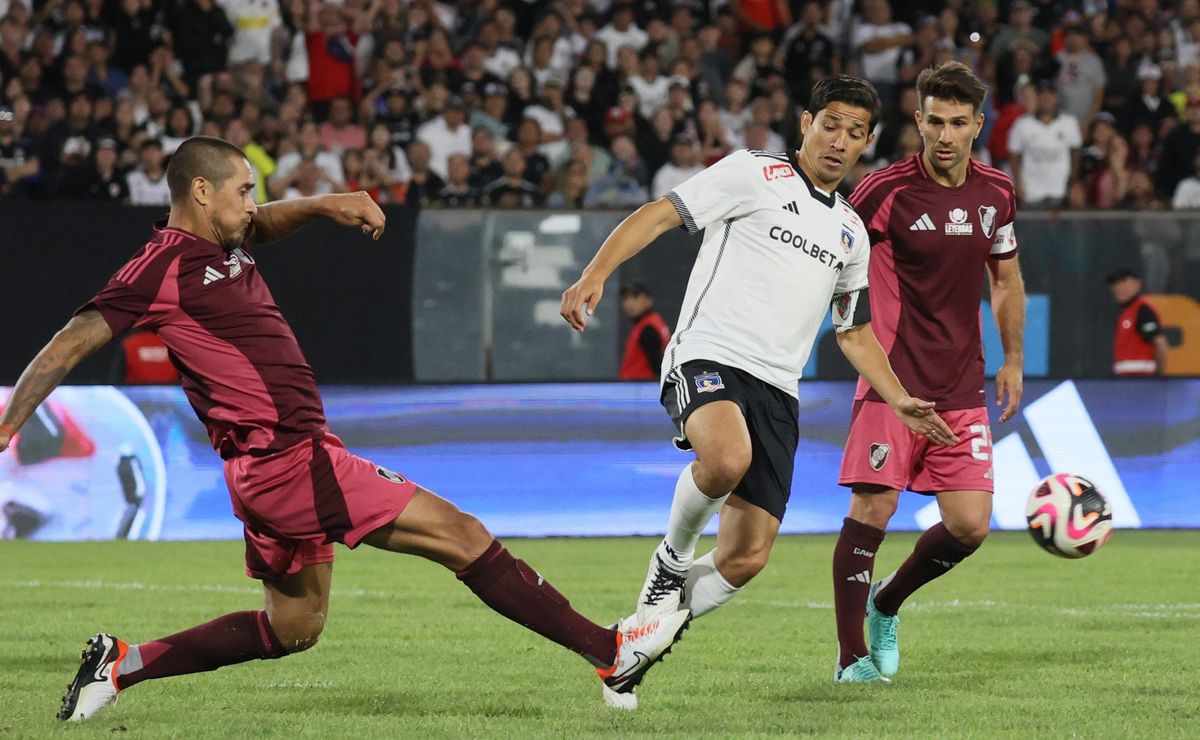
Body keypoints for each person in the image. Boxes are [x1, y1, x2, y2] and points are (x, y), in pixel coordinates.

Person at [0, 136, 690, 723]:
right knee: (461, 535)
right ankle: (609, 653)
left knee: (292, 628)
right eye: (243, 190)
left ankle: (122, 665)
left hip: (277, 465)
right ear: (201, 191)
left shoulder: (226, 242)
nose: (252, 202)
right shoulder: (161, 268)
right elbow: (70, 341)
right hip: (286, 462)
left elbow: (264, 225)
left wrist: (328, 205)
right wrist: (9, 425)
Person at [560, 76, 958, 710]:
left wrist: (900, 396)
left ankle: (634, 644)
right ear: (805, 123)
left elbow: (853, 334)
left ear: (868, 143)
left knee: (745, 559)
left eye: (855, 133)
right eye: (830, 124)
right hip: (708, 353)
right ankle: (670, 560)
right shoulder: (752, 173)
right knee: (725, 459)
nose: (839, 141)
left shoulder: (851, 234)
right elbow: (662, 214)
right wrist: (595, 272)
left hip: (779, 389)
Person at [830, 61, 1026, 684]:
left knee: (969, 527)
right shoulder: (883, 191)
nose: (944, 135)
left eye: (958, 123)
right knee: (873, 507)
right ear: (917, 120)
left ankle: (886, 602)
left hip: (961, 384)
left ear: (977, 126)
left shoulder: (996, 193)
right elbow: (829, 257)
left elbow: (1007, 279)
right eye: (934, 121)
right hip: (893, 381)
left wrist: (1013, 359)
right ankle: (851, 658)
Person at [1106, 267, 1168, 376]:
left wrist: (1159, 377)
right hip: (1127, 380)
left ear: (1137, 284)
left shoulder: (1142, 309)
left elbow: (1160, 343)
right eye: (1115, 284)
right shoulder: (1125, 312)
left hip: (1141, 380)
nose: (1118, 288)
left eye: (1123, 282)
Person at [617, 282, 670, 381]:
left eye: (635, 297)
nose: (629, 303)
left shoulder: (648, 328)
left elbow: (657, 365)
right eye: (625, 298)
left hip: (641, 389)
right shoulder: (653, 322)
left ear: (648, 300)